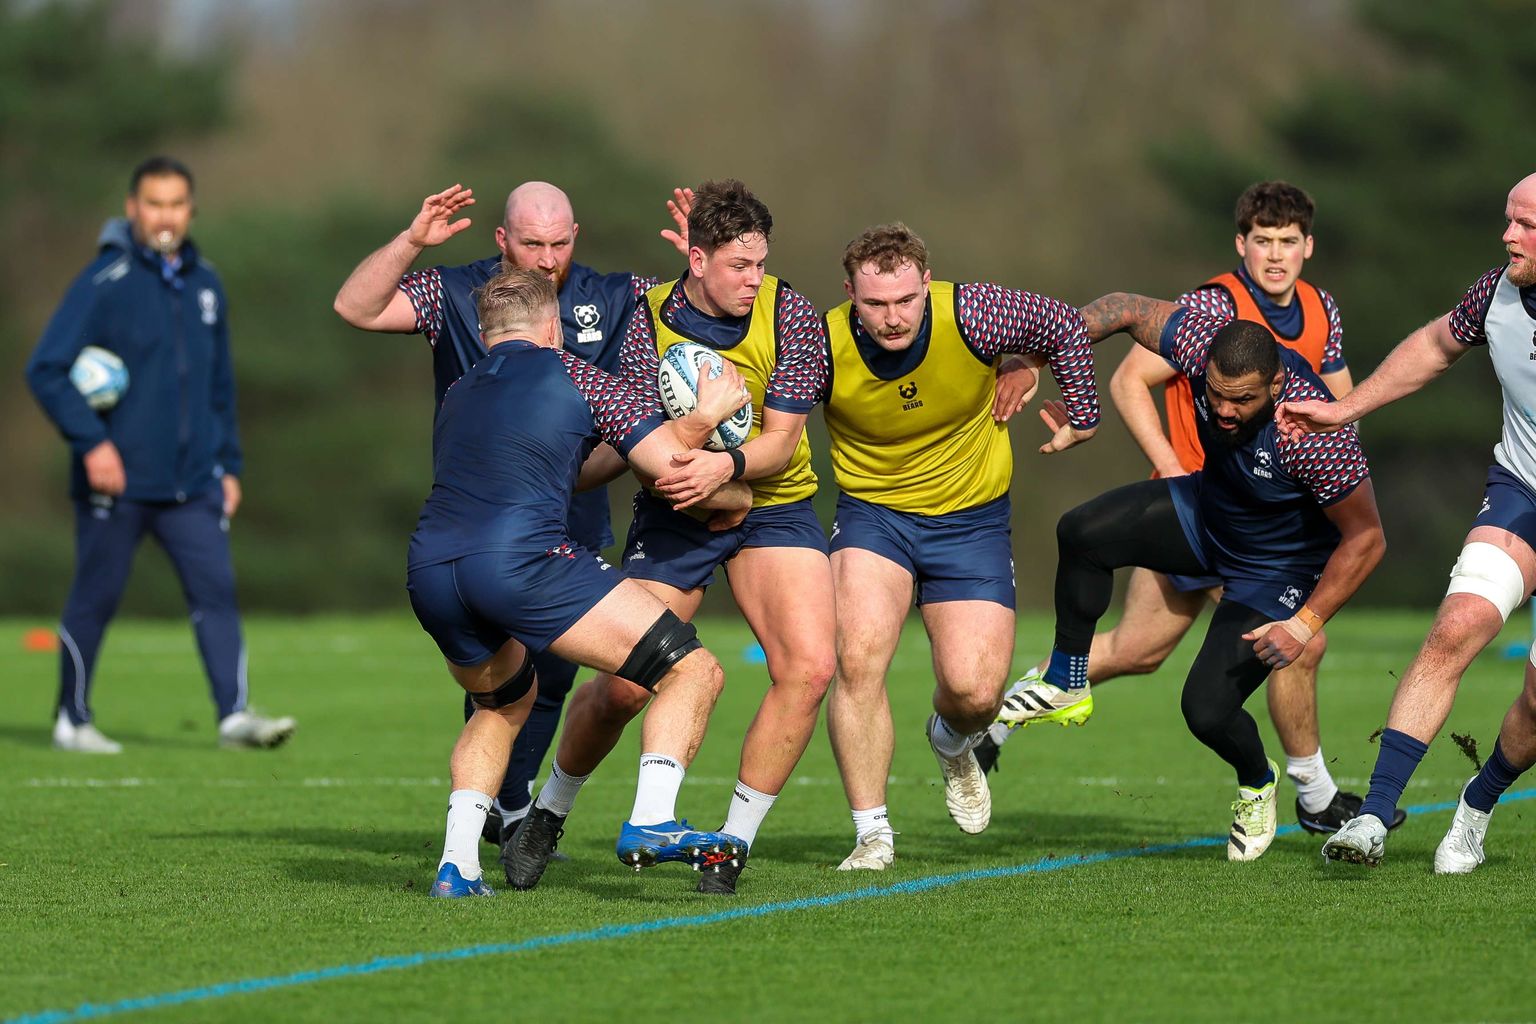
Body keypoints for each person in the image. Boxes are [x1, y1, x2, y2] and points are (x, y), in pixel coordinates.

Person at [981, 182, 1400, 835]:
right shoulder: (1210, 311)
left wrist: (1330, 467)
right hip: (1200, 506)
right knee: (1255, 645)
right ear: (1241, 243)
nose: (1275, 254)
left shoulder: (1321, 318)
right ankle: (1314, 798)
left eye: (1288, 241)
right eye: (1263, 240)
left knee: (1175, 658)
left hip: (1274, 529)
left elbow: (1346, 408)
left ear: (1308, 247)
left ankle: (1000, 723)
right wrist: (1042, 364)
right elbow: (1126, 355)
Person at [334, 181, 684, 869]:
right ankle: (509, 810)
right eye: (531, 243)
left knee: (543, 680)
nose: (547, 259)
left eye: (559, 243)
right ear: (502, 240)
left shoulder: (619, 295)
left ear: (576, 236)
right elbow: (356, 306)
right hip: (485, 520)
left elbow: (701, 311)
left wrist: (701, 258)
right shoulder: (457, 292)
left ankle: (505, 812)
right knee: (508, 681)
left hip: (568, 513)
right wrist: (410, 240)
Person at [506, 179, 835, 896]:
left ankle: (731, 845)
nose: (754, 278)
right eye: (739, 265)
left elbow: (781, 442)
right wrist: (698, 480)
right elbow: (640, 445)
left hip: (776, 503)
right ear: (697, 258)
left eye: (761, 263)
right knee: (627, 685)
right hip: (676, 502)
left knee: (810, 670)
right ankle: (548, 812)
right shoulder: (646, 319)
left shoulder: (791, 313)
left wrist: (729, 469)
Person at [409, 267, 753, 896]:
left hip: (432, 569)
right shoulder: (578, 373)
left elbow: (565, 463)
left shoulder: (459, 391)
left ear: (486, 335)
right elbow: (670, 470)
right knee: (692, 671)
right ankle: (652, 820)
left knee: (500, 705)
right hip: (523, 561)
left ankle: (457, 867)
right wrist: (710, 426)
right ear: (554, 327)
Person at [1030, 291, 1385, 860]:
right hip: (1207, 516)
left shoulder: (1317, 432)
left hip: (1275, 569)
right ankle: (1068, 680)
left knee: (1205, 710)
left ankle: (1258, 783)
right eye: (1216, 394)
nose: (1223, 410)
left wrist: (1303, 624)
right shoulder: (1200, 343)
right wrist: (1039, 361)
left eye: (1242, 400)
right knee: (1081, 531)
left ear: (1276, 386)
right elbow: (1122, 308)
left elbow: (1367, 539)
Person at [819, 223, 1100, 871]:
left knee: (976, 694)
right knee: (858, 658)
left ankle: (951, 743)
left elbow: (1063, 323)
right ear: (850, 294)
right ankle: (872, 834)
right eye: (875, 303)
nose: (892, 318)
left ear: (927, 283)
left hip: (971, 521)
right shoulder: (821, 341)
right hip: (873, 516)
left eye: (905, 300)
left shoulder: (972, 312)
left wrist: (1083, 416)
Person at [1283, 172, 1536, 872]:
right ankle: (1372, 817)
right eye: (1508, 219)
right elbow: (1433, 346)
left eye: (1526, 225)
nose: (1507, 235)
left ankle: (1477, 805)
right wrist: (1343, 409)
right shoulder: (1495, 292)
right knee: (1455, 627)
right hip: (1522, 492)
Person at [25, 156, 295, 753]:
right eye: (154, 204)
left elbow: (220, 385)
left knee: (216, 594)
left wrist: (228, 465)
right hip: (115, 481)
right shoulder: (104, 281)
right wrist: (93, 443)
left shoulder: (207, 284)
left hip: (193, 483)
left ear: (191, 211)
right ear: (133, 209)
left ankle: (233, 717)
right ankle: (72, 719)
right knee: (95, 598)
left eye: (176, 205)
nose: (165, 216)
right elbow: (45, 370)